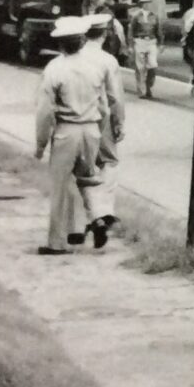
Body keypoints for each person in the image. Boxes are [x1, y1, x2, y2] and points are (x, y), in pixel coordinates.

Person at [33, 17, 106, 255]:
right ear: (83, 41)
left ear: (61, 45)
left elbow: (45, 111)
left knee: (60, 186)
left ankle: (57, 242)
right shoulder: (95, 68)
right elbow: (103, 106)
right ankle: (90, 222)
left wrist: (41, 143)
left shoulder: (55, 68)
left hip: (67, 130)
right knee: (86, 180)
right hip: (92, 129)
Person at [78, 14, 125, 244]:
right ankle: (105, 210)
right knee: (109, 162)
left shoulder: (71, 58)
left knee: (83, 169)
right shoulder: (108, 61)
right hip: (101, 117)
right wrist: (119, 122)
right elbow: (115, 97)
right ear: (105, 34)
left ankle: (93, 214)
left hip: (76, 118)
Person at [127, 0, 162, 99]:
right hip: (140, 41)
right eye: (145, 2)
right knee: (140, 67)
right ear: (141, 4)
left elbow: (159, 30)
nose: (147, 4)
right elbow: (131, 31)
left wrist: (161, 43)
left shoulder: (154, 16)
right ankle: (142, 90)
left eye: (149, 2)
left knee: (153, 65)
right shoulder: (136, 16)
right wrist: (130, 45)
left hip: (151, 41)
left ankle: (149, 86)